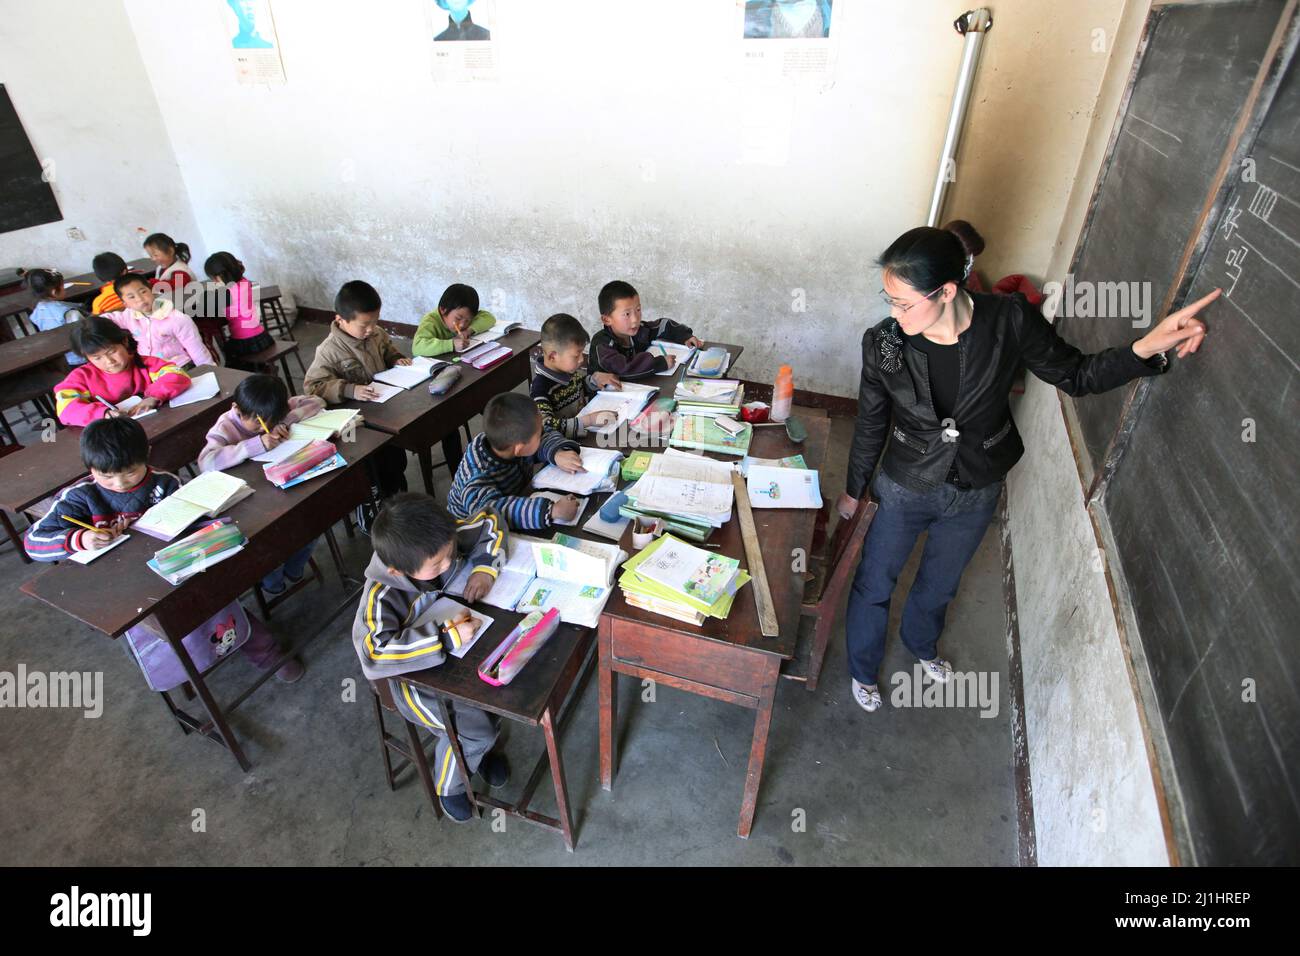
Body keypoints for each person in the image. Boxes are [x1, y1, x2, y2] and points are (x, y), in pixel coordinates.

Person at [836, 220, 1219, 713]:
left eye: (904, 302)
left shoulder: (1009, 320)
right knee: (875, 581)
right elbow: (871, 422)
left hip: (976, 487)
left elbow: (1076, 375)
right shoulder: (885, 343)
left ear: (947, 290)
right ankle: (864, 670)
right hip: (906, 483)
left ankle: (921, 646)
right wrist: (854, 488)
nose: (894, 312)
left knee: (940, 582)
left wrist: (1146, 347)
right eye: (890, 300)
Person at [25, 416, 304, 684]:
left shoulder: (165, 483)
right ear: (89, 468)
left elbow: (193, 519)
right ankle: (191, 664)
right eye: (107, 477)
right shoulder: (80, 496)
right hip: (125, 589)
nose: (121, 483)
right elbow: (33, 541)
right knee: (168, 629)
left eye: (130, 472)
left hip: (178, 569)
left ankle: (266, 654)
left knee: (216, 602)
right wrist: (80, 539)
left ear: (147, 454)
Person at [352, 492, 508, 821]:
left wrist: (484, 569)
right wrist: (445, 636)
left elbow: (490, 519)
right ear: (397, 571)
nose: (448, 564)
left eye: (450, 552)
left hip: (459, 657)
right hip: (412, 681)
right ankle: (450, 784)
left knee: (499, 689)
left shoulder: (436, 539)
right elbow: (373, 652)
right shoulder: (381, 595)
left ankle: (479, 749)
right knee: (468, 726)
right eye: (436, 565)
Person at [198, 374, 325, 596]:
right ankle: (273, 584)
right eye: (259, 422)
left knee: (311, 525)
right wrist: (253, 445)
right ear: (237, 409)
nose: (265, 427)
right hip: (249, 505)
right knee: (268, 545)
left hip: (281, 487)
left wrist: (286, 421)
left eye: (272, 421)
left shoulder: (274, 412)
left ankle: (294, 570)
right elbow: (206, 461)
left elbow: (316, 402)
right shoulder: (226, 426)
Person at [303, 280, 413, 527]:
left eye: (375, 322)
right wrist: (349, 389)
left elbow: (387, 349)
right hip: (357, 425)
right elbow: (313, 386)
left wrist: (396, 359)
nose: (371, 329)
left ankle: (398, 505)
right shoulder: (328, 351)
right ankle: (371, 515)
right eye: (365, 325)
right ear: (341, 320)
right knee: (370, 471)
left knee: (395, 461)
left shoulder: (375, 333)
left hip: (386, 411)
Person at [446, 392, 585, 531]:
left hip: (519, 497)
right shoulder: (476, 474)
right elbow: (492, 513)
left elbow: (545, 435)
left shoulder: (507, 441)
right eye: (539, 433)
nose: (543, 432)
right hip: (471, 536)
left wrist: (556, 453)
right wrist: (552, 510)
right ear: (520, 449)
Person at [53, 315, 190, 426]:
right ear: (86, 357)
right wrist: (103, 413)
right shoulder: (82, 378)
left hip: (158, 425)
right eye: (97, 358)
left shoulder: (146, 364)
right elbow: (66, 408)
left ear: (124, 342)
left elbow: (177, 374)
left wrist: (154, 396)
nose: (109, 361)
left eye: (112, 351)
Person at [530, 312, 622, 439]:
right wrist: (588, 420)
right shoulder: (540, 389)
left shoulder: (567, 371)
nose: (581, 360)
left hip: (587, 434)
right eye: (576, 355)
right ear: (552, 356)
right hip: (567, 447)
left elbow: (578, 388)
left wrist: (594, 380)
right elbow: (545, 427)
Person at [588, 279, 703, 380]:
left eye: (638, 310)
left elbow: (664, 325)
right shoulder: (601, 344)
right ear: (607, 320)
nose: (635, 319)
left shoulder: (639, 330)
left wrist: (685, 336)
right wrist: (659, 364)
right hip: (607, 400)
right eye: (627, 314)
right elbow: (623, 368)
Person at [103, 273, 213, 369]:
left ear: (151, 291)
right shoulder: (128, 316)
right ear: (125, 304)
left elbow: (197, 350)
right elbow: (106, 319)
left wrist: (211, 373)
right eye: (131, 297)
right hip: (150, 368)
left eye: (143, 292)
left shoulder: (176, 319)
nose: (140, 299)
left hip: (179, 366)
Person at [204, 251, 275, 370]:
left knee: (228, 355)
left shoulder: (226, 294)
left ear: (220, 276)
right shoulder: (244, 281)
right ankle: (264, 370)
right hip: (262, 337)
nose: (214, 282)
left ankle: (249, 376)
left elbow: (209, 306)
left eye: (213, 279)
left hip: (245, 341)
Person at [412, 283, 496, 357]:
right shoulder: (430, 321)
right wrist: (451, 344)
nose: (462, 325)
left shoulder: (464, 316)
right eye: (458, 318)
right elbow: (417, 347)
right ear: (443, 310)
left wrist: (468, 331)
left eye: (468, 320)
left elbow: (489, 317)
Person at [24, 268, 85, 366]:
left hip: (62, 357)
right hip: (80, 357)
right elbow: (85, 333)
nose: (64, 289)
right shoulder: (68, 313)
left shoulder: (37, 311)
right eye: (62, 286)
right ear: (54, 292)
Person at [143, 232, 197, 303]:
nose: (153, 259)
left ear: (171, 251)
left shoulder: (180, 271)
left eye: (155, 255)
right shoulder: (161, 267)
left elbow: (175, 287)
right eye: (151, 256)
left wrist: (151, 283)